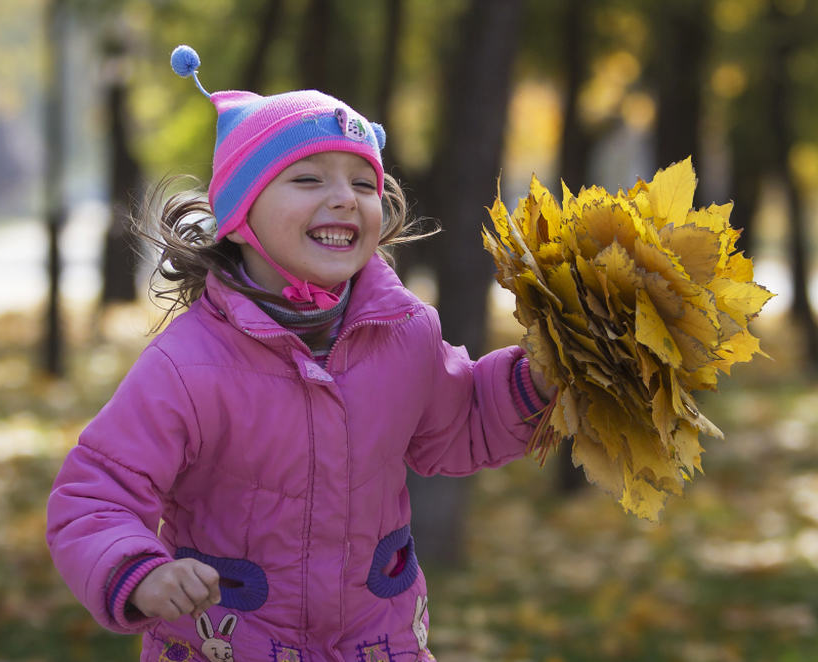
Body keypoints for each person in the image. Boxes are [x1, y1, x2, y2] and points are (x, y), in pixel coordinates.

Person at [46, 45, 555, 662]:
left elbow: (461, 422)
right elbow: (97, 493)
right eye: (308, 178)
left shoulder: (406, 333)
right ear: (240, 215)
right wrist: (141, 572)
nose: (344, 198)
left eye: (364, 183)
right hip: (230, 646)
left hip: (375, 644)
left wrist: (542, 378)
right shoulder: (187, 367)